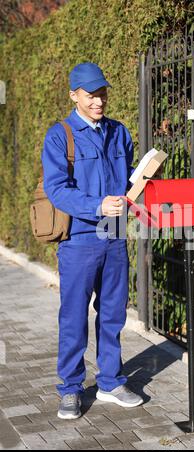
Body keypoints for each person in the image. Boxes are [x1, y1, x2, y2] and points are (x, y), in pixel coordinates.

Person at [41, 62, 143, 419]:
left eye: (102, 94)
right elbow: (56, 190)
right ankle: (70, 389)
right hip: (80, 239)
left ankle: (111, 382)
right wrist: (97, 204)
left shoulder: (119, 132)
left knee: (113, 313)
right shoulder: (60, 136)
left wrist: (143, 177)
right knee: (73, 316)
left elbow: (128, 178)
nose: (99, 101)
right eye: (91, 95)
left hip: (114, 236)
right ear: (74, 96)